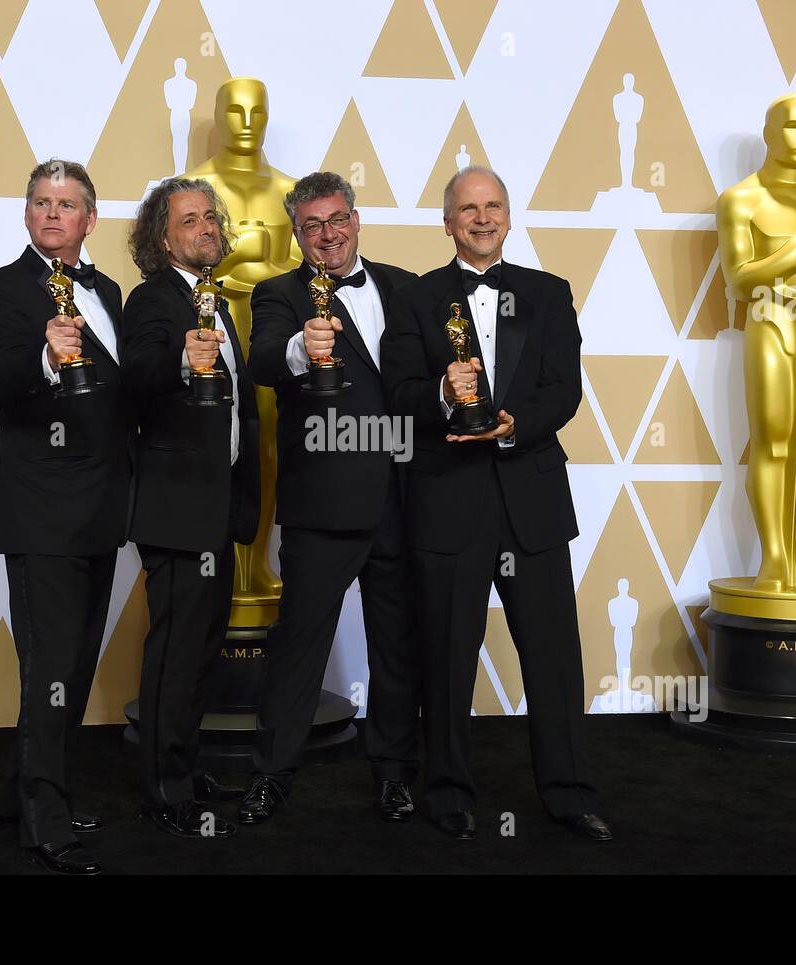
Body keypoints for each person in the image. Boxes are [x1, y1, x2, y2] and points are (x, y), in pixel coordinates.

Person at [380, 166, 611, 842]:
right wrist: (443, 395)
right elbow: (396, 393)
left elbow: (563, 388)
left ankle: (569, 792)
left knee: (553, 658)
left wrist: (517, 424)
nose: (482, 218)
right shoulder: (415, 298)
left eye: (493, 206)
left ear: (508, 216)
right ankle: (448, 792)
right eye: (467, 209)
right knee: (447, 658)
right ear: (446, 222)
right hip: (448, 499)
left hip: (530, 499)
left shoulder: (549, 293)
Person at [242, 171, 420, 824]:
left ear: (357, 217)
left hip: (401, 499)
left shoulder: (405, 288)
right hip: (322, 502)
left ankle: (395, 775)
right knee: (298, 646)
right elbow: (261, 360)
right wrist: (298, 348)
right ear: (296, 232)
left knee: (397, 645)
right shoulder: (278, 295)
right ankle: (271, 775)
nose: (328, 234)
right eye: (312, 224)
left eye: (337, 218)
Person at [0, 159, 131, 875]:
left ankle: (28, 793)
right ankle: (46, 821)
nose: (53, 214)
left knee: (75, 660)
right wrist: (43, 354)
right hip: (40, 512)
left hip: (101, 507)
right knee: (50, 667)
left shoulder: (110, 292)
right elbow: (3, 384)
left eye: (67, 204)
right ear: (26, 214)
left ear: (89, 219)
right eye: (41, 202)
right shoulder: (0, 292)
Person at [122, 177, 260, 839]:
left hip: (217, 504)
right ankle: (163, 787)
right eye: (189, 219)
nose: (205, 227)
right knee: (176, 653)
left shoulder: (214, 299)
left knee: (203, 648)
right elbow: (135, 379)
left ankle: (184, 761)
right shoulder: (152, 299)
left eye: (211, 216)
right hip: (177, 509)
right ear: (161, 236)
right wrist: (180, 357)